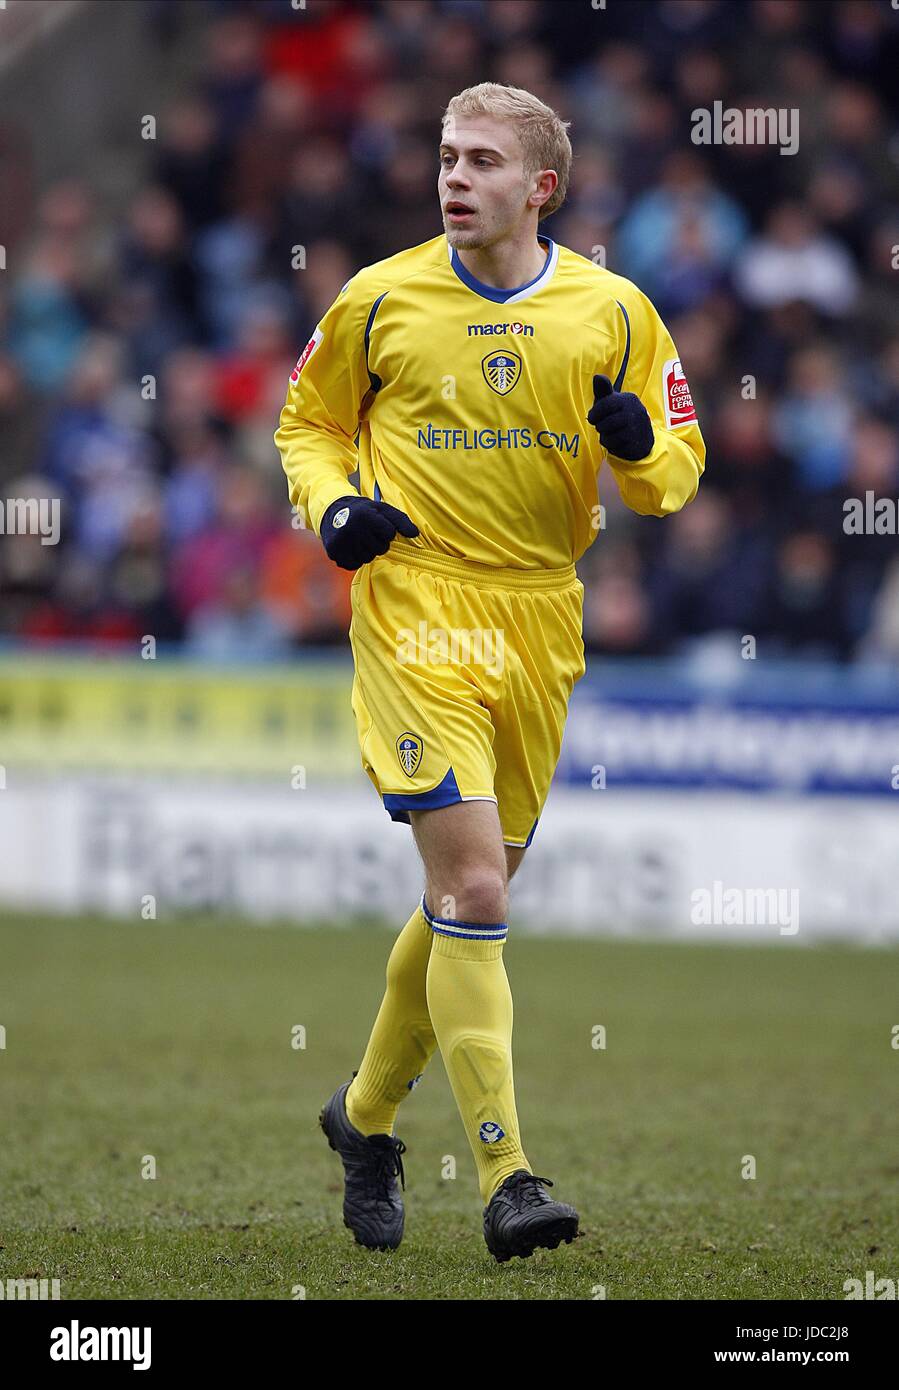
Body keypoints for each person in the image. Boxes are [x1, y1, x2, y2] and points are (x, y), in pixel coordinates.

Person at [274, 82, 705, 1263]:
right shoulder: (378, 297)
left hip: (540, 615)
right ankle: (508, 1175)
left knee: (470, 896)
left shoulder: (612, 311)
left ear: (539, 188)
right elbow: (302, 425)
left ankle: (361, 1119)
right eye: (445, 157)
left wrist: (636, 447)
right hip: (416, 603)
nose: (451, 178)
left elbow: (677, 470)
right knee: (474, 890)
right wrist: (334, 508)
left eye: (478, 162)